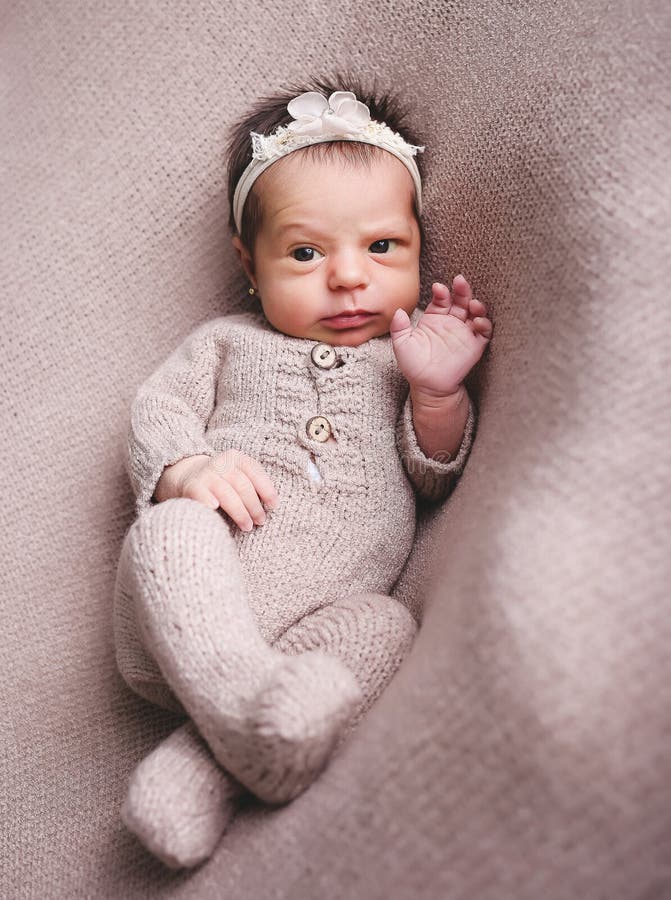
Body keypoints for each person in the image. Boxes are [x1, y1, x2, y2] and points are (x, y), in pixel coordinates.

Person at [113, 78, 493, 868]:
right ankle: (237, 700)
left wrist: (436, 392)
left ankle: (202, 770)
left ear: (419, 247)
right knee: (174, 530)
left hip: (310, 632)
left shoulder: (404, 359)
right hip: (183, 611)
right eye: (306, 252)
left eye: (381, 247)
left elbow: (433, 476)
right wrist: (186, 470)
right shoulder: (226, 342)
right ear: (248, 263)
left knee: (387, 630)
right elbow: (158, 411)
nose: (348, 277)